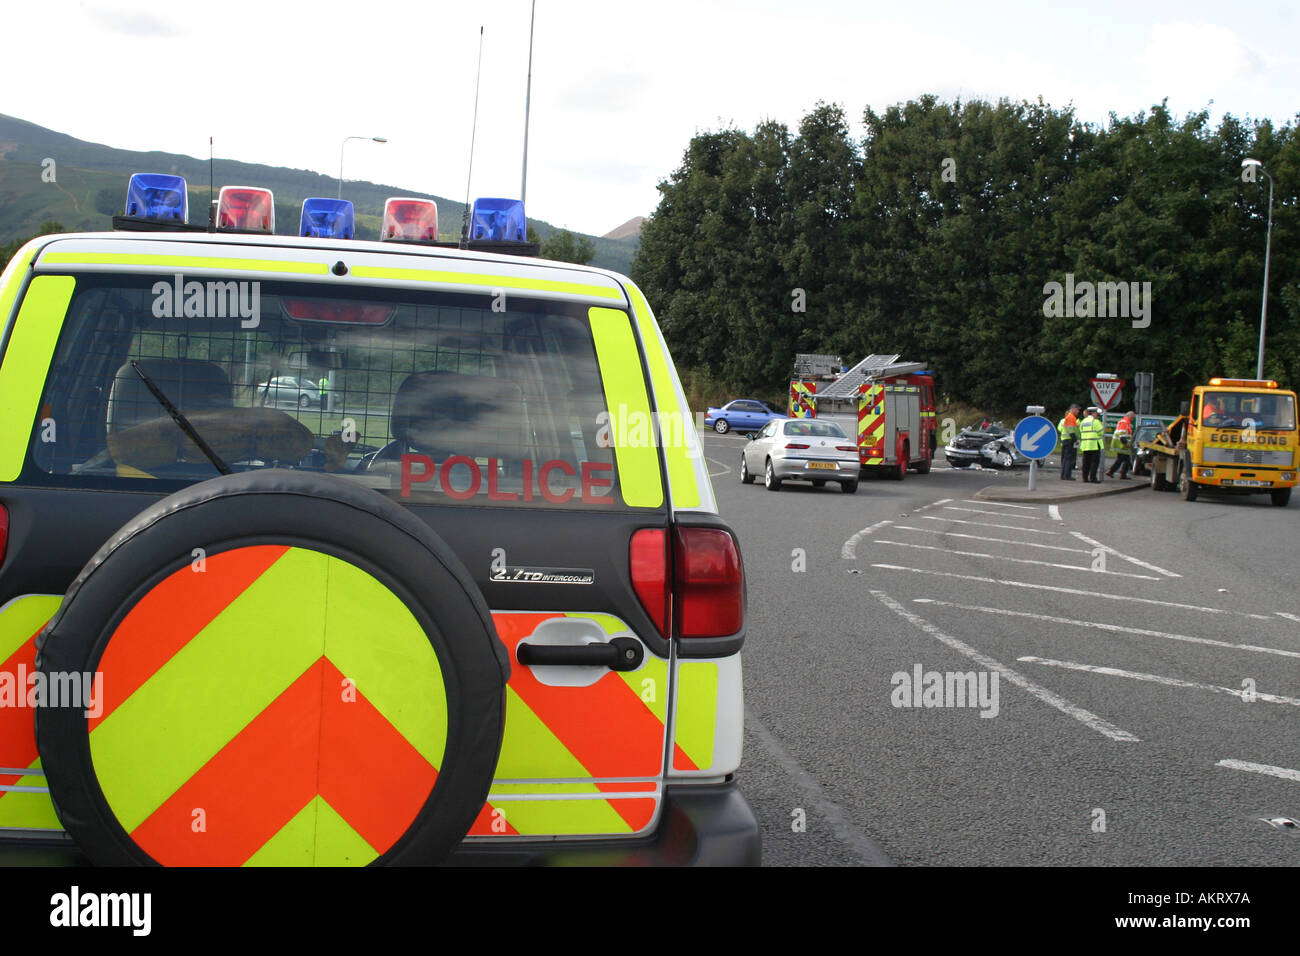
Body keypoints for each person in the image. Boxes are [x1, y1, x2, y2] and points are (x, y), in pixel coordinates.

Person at [1106, 410, 1136, 478]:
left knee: (1122, 459)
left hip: (1121, 444)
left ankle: (1119, 473)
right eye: (1132, 416)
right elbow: (1122, 434)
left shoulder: (1124, 422)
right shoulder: (1125, 422)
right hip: (1121, 444)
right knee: (1125, 460)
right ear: (1129, 416)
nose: (1133, 418)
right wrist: (1125, 443)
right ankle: (1114, 472)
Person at [1079, 407, 1104, 482]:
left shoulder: (1083, 421)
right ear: (1093, 413)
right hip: (1094, 445)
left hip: (1085, 445)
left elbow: (1081, 431)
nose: (1098, 415)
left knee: (1086, 462)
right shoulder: (1095, 421)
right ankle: (1093, 478)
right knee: (1094, 462)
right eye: (1097, 413)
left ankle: (1085, 478)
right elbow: (1101, 432)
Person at [1058, 404, 1081, 480]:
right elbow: (1071, 431)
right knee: (1069, 459)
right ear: (1073, 409)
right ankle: (1067, 476)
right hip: (1069, 440)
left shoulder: (1068, 417)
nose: (1078, 411)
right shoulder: (1071, 417)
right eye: (1077, 410)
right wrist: (1076, 440)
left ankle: (1063, 475)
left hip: (1065, 439)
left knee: (1065, 459)